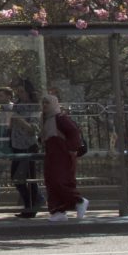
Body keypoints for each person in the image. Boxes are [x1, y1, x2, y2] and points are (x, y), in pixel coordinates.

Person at [39, 92, 88, 221]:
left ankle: (79, 201)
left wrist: (71, 149)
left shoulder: (60, 118)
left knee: (60, 180)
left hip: (62, 154)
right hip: (52, 154)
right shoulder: (47, 119)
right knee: (51, 181)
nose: (44, 105)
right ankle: (58, 211)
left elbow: (73, 133)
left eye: (47, 102)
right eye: (43, 103)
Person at [1, 84, 41, 218]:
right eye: (18, 92)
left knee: (28, 177)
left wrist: (18, 119)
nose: (20, 95)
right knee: (16, 177)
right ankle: (30, 203)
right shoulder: (17, 106)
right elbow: (10, 124)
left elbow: (33, 128)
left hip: (28, 145)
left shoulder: (34, 107)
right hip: (16, 144)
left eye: (22, 92)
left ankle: (31, 206)